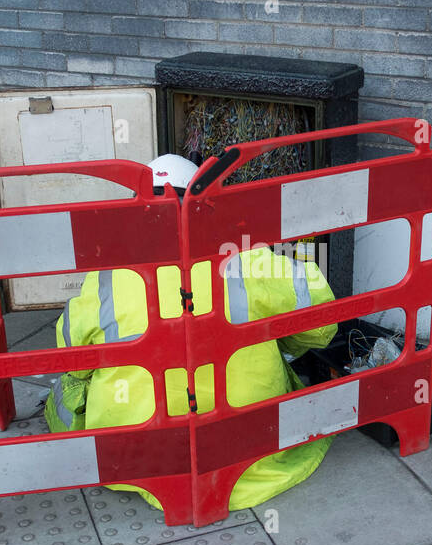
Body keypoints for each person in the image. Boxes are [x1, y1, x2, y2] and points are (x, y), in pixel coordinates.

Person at [43, 154, 337, 510]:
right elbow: (322, 324)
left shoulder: (109, 272)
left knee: (68, 389)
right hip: (249, 453)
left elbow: (72, 358)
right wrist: (279, 340)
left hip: (140, 458)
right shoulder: (245, 256)